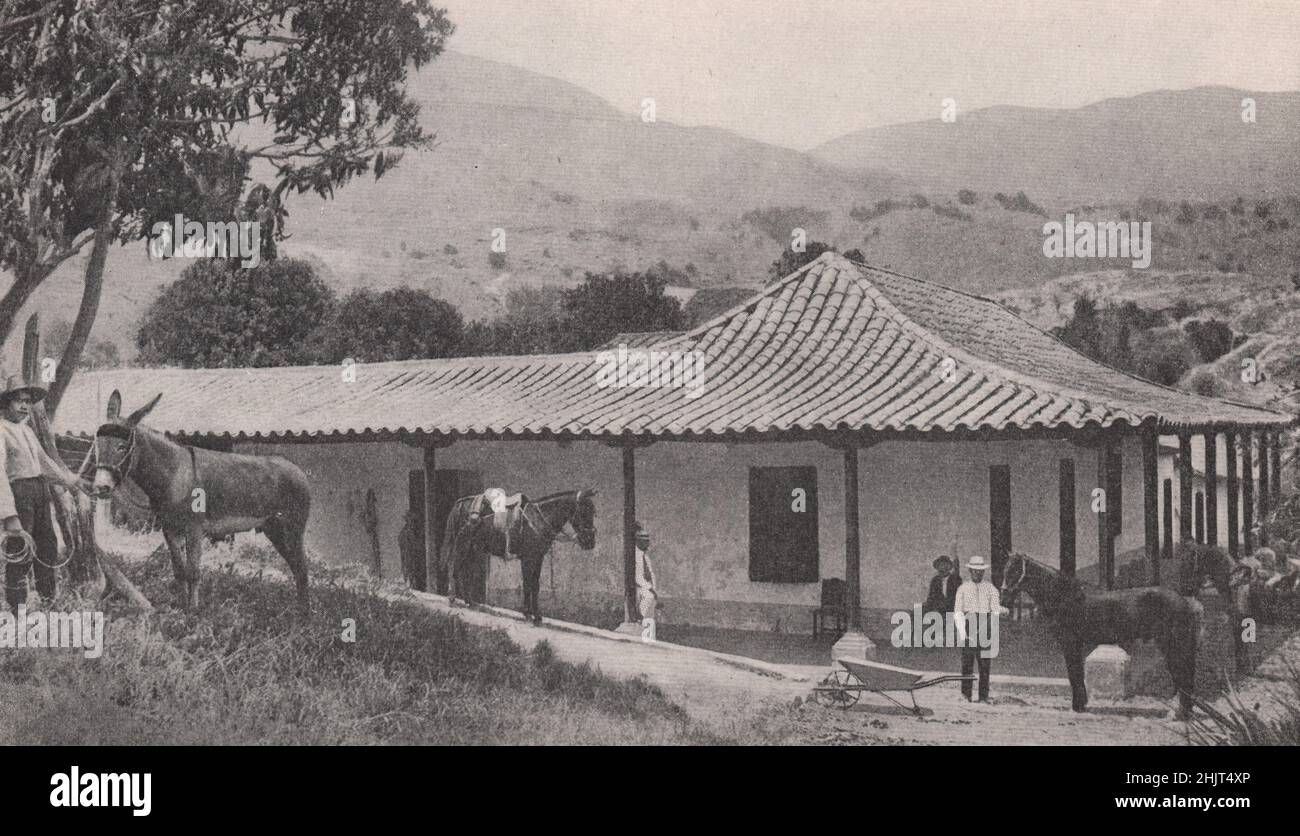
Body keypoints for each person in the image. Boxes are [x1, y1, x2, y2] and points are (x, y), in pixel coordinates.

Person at [0, 373, 84, 609]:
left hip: (39, 492)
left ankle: (48, 603)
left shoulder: (27, 432)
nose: (25, 405)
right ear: (6, 404)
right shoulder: (1, 431)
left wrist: (70, 480)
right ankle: (17, 609)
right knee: (20, 552)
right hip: (19, 494)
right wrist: (10, 516)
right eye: (19, 400)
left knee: (47, 547)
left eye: (28, 401)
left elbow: (45, 465)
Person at [953, 555, 1009, 703]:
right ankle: (966, 695)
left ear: (984, 572)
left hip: (985, 626)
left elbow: (996, 608)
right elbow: (958, 611)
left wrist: (1004, 610)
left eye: (981, 571)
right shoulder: (963, 588)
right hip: (968, 625)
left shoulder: (990, 588)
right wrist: (963, 633)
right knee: (967, 664)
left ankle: (983, 696)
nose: (978, 573)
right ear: (970, 571)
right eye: (975, 571)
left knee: (984, 664)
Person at [634, 522, 658, 639]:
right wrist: (649, 588)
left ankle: (648, 637)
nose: (647, 543)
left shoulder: (645, 557)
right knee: (647, 598)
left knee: (650, 612)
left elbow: (650, 574)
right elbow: (637, 576)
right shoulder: (635, 555)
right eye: (644, 540)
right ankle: (641, 623)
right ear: (638, 541)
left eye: (648, 540)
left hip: (648, 589)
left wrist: (654, 588)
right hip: (640, 588)